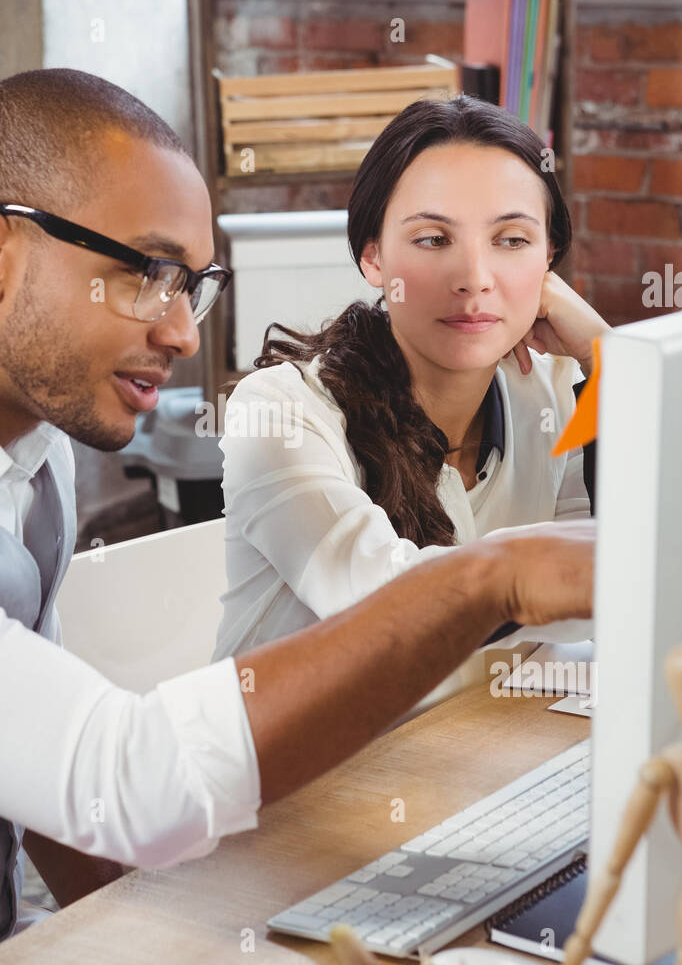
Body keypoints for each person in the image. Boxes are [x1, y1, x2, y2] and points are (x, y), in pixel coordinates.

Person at [0, 69, 594, 965]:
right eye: (145, 270)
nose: (182, 331)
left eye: (194, 282)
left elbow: (60, 796)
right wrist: (491, 572)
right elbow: (120, 775)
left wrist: (198, 950)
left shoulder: (30, 437)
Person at [213, 95, 606, 714]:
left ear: (548, 259)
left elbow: (634, 574)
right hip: (290, 795)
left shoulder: (552, 395)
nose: (474, 276)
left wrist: (607, 359)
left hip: (455, 763)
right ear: (373, 256)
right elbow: (381, 605)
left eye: (511, 239)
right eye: (431, 238)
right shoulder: (281, 413)